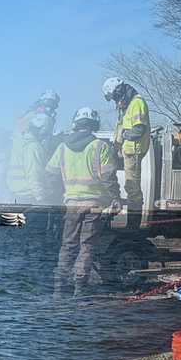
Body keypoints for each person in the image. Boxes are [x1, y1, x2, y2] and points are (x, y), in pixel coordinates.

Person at [46, 107, 121, 297]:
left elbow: (50, 174)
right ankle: (79, 289)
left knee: (68, 245)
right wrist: (116, 198)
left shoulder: (62, 147)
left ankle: (59, 288)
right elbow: (109, 177)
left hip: (71, 204)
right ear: (94, 125)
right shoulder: (100, 146)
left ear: (76, 123)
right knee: (86, 246)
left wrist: (58, 195)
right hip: (94, 205)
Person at [102, 77, 150, 229]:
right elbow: (120, 127)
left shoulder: (137, 103)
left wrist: (123, 136)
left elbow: (138, 130)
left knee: (132, 188)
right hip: (126, 151)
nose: (114, 101)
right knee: (125, 185)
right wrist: (115, 146)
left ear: (118, 91)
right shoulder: (126, 106)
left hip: (133, 151)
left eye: (114, 97)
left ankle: (133, 227)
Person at [6, 113, 50, 204]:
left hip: (16, 195)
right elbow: (34, 174)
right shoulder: (33, 146)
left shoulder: (18, 143)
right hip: (30, 197)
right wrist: (41, 198)